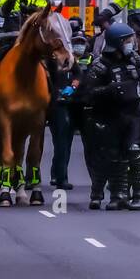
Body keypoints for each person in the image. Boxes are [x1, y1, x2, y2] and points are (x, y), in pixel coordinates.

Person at [81, 22, 140, 210]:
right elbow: (87, 93)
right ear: (116, 43)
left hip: (133, 117)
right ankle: (117, 195)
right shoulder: (100, 66)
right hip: (109, 117)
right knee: (114, 158)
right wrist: (112, 90)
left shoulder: (135, 61)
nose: (132, 44)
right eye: (127, 41)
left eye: (132, 40)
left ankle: (138, 195)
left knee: (135, 155)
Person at [48, 31, 88, 190]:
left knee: (78, 143)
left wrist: (72, 87)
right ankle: (60, 177)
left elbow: (79, 74)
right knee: (62, 144)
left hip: (75, 103)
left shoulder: (70, 59)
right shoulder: (50, 61)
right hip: (58, 105)